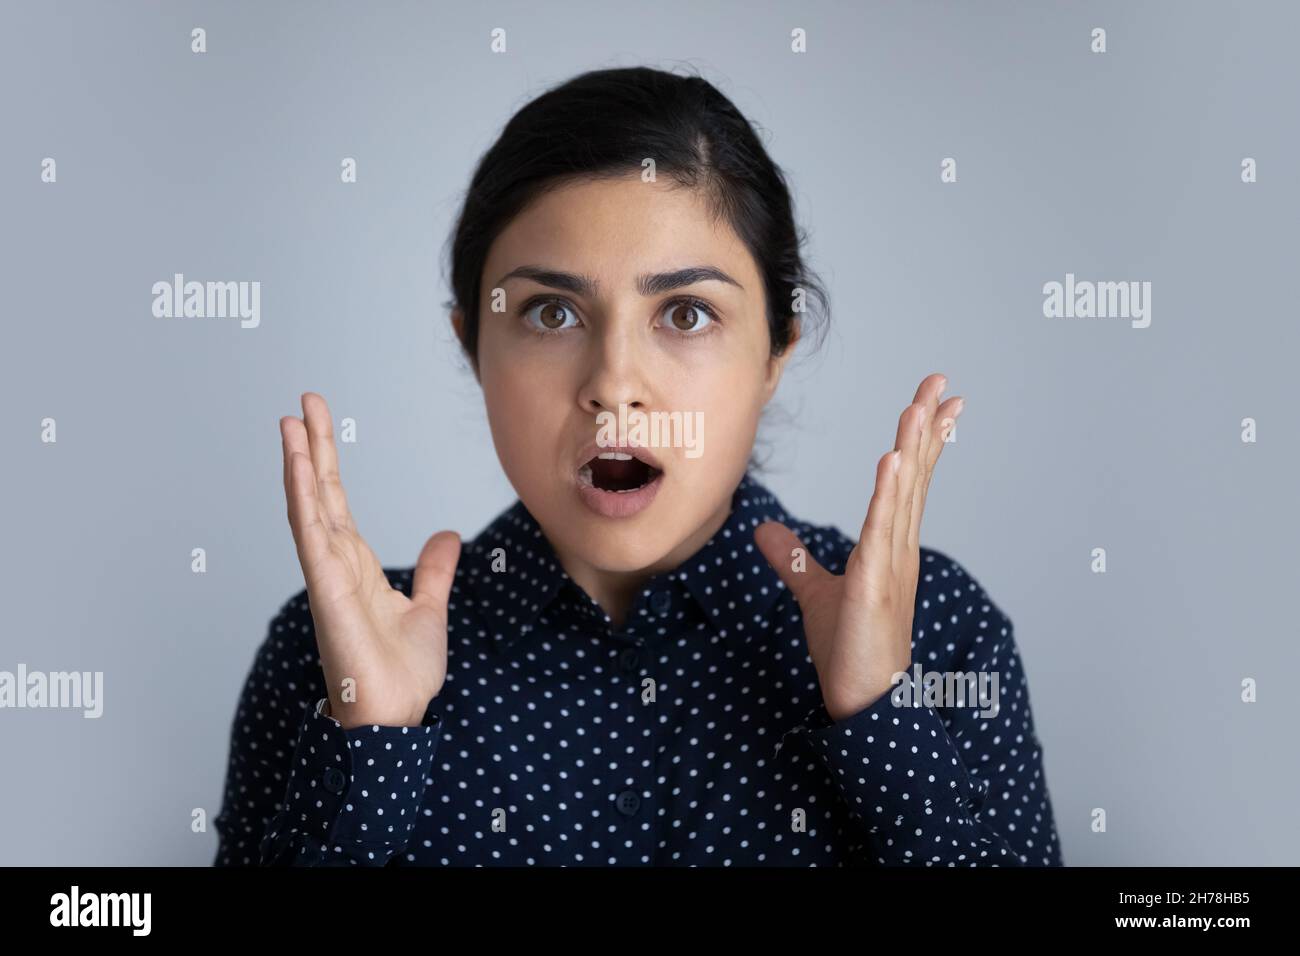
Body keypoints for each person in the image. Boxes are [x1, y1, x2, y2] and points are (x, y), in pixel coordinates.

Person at [213, 65, 1062, 866]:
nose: (614, 386)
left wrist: (881, 713)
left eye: (686, 314)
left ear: (776, 350)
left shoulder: (938, 629)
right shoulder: (327, 651)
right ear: (473, 343)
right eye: (551, 313)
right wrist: (370, 751)